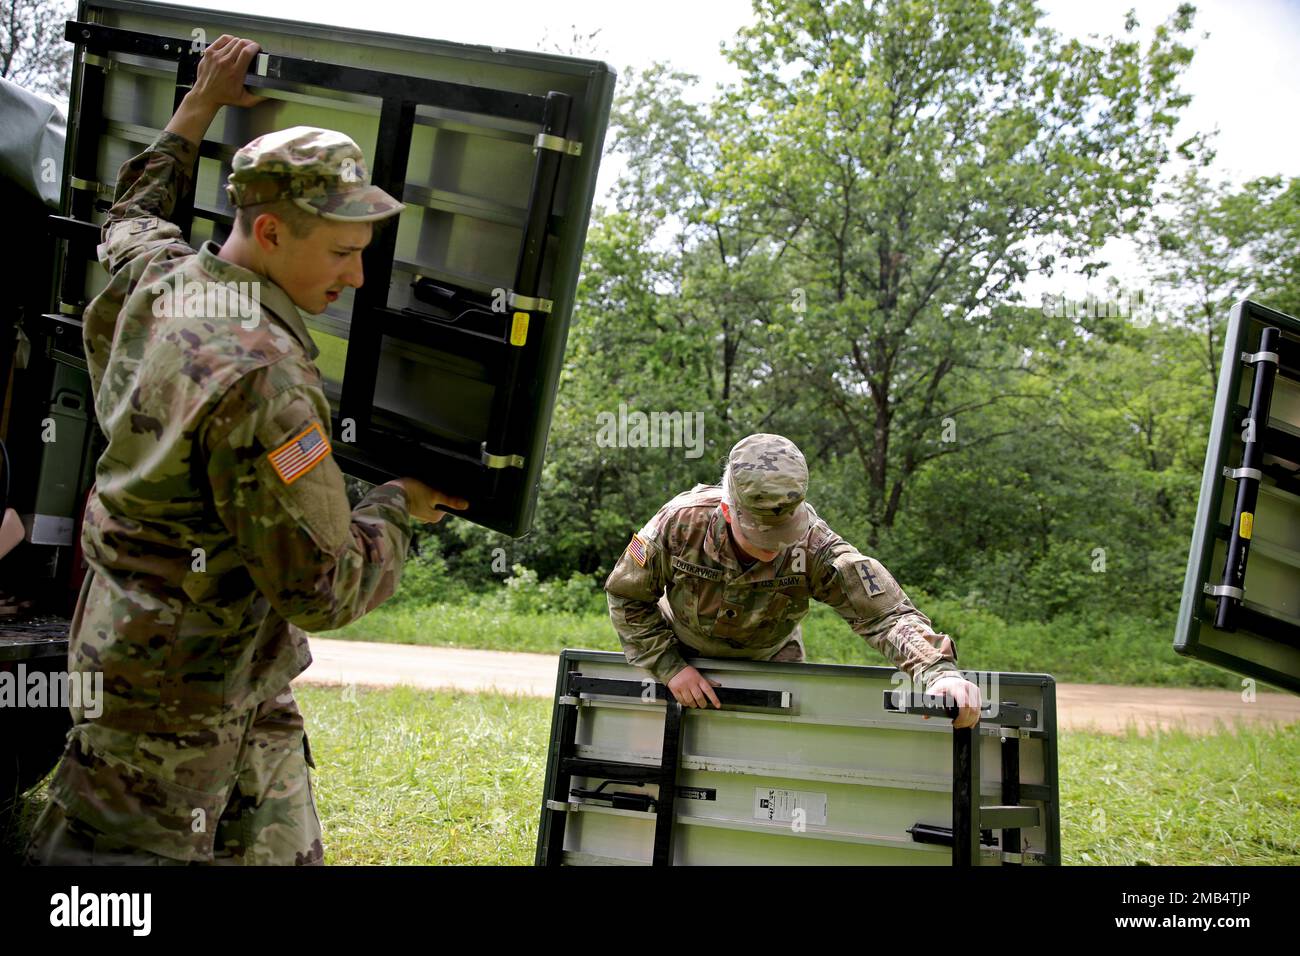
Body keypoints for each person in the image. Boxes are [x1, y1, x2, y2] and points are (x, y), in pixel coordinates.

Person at [25, 35, 466, 865]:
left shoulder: (161, 275)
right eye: (341, 254)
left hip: (220, 673)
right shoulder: (264, 381)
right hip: (168, 709)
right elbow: (323, 587)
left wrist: (198, 106)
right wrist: (399, 507)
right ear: (269, 230)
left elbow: (131, 218)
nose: (358, 280)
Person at [605, 433, 982, 727]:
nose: (775, 549)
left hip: (773, 658)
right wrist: (670, 667)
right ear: (727, 510)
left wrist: (938, 672)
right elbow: (627, 595)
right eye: (761, 537)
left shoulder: (817, 545)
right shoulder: (679, 524)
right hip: (681, 650)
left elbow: (885, 614)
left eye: (785, 534)